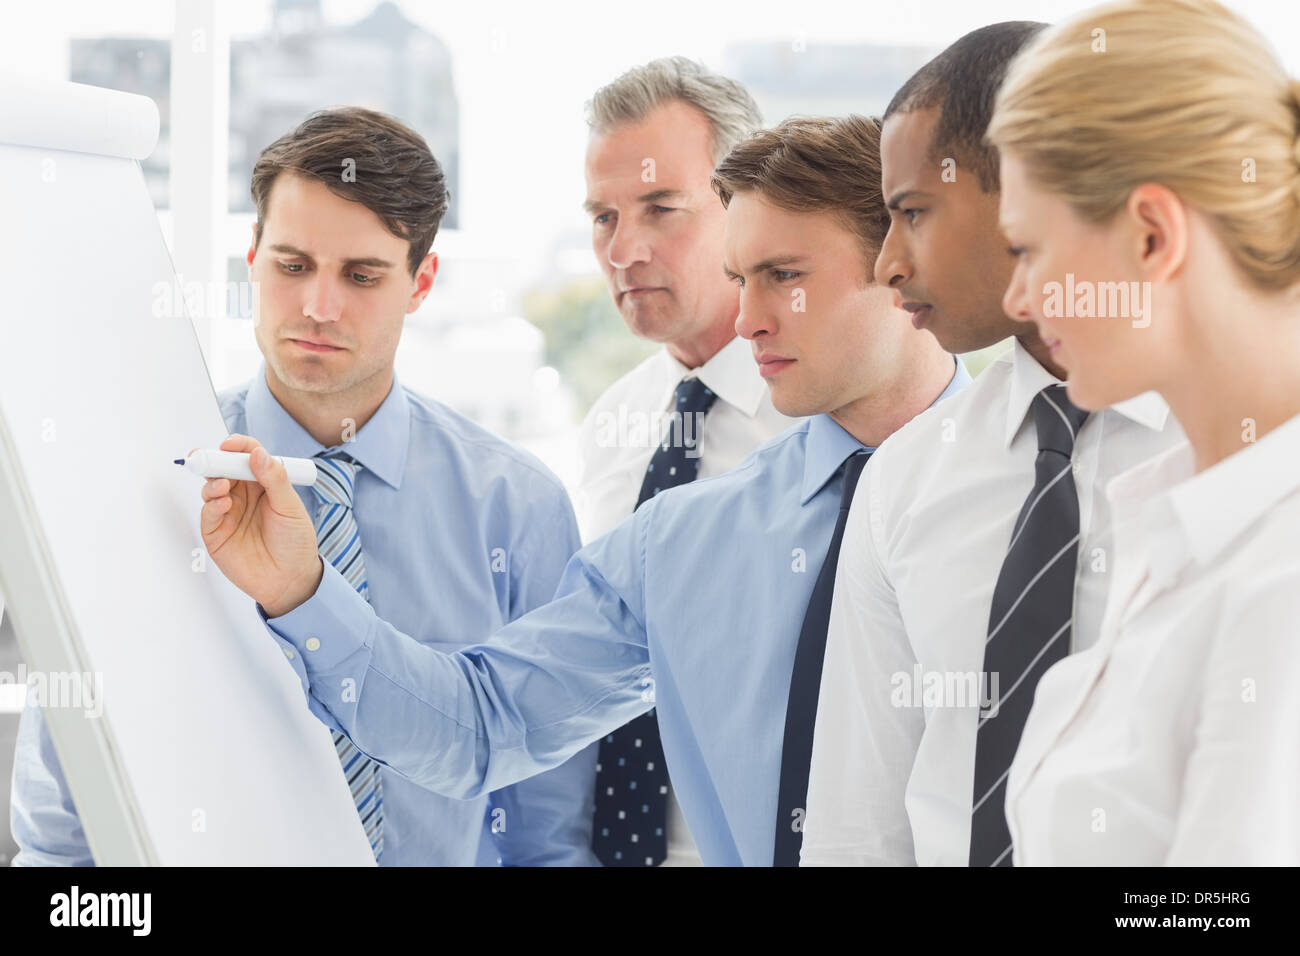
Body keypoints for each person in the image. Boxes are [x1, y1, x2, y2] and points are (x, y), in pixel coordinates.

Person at [196, 114, 968, 866]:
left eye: (783, 277)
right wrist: (304, 594)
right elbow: (481, 727)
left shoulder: (1047, 499)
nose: (746, 318)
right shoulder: (685, 540)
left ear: (906, 265)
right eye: (739, 279)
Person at [10, 107, 598, 867]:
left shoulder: (519, 510)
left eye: (361, 275)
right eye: (292, 266)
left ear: (421, 283)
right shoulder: (142, 492)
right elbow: (63, 837)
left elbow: (543, 838)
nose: (319, 306)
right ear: (252, 258)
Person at [800, 21, 1186, 867]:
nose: (887, 264)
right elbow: (856, 827)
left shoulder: (1248, 456)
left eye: (911, 214)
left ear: (1027, 189)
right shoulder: (905, 479)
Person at [986, 0, 1300, 865]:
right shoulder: (1184, 530)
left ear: (1153, 236)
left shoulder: (1280, 585)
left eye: (1027, 249)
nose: (1017, 299)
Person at [578, 57, 797, 866]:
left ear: (743, 206)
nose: (623, 249)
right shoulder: (613, 423)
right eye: (603, 216)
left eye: (661, 208)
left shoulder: (823, 426)